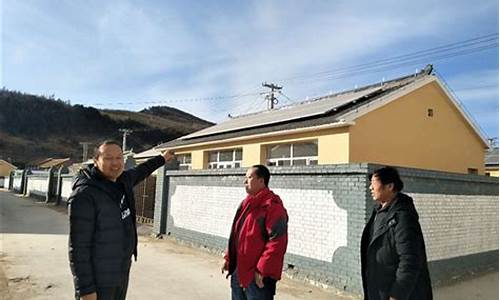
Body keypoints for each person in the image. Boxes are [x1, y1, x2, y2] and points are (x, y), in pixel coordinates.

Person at [68, 140, 175, 300]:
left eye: (119, 158)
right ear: (96, 161)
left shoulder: (123, 180)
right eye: (108, 158)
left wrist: (162, 158)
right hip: (99, 280)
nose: (115, 163)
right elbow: (78, 249)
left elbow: (142, 170)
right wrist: (85, 290)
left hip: (120, 272)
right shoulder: (84, 195)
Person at [360, 166, 433, 300]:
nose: (370, 188)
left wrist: (397, 294)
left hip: (396, 292)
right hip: (378, 287)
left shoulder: (403, 217)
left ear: (389, 186)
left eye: (374, 184)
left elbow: (410, 260)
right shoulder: (379, 211)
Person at [221, 165, 288, 300]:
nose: (245, 182)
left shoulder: (272, 207)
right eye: (245, 178)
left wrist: (262, 269)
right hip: (239, 270)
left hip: (258, 276)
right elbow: (237, 234)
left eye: (249, 178)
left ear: (261, 181)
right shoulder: (245, 204)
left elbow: (277, 241)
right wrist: (229, 258)